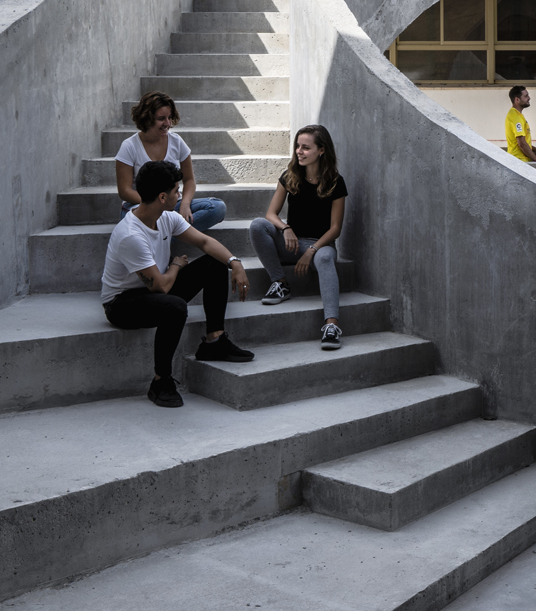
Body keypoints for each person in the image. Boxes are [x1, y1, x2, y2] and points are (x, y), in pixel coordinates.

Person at [100, 159, 252, 409]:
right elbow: (160, 287)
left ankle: (214, 341)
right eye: (176, 191)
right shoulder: (130, 235)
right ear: (162, 196)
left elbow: (204, 243)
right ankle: (161, 381)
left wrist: (235, 263)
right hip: (122, 303)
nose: (180, 195)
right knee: (175, 306)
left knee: (215, 263)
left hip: (156, 288)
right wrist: (176, 265)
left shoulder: (166, 217)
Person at [249, 124, 349, 348]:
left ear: (321, 150)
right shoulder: (290, 176)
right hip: (291, 243)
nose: (299, 151)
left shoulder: (335, 181)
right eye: (297, 146)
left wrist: (312, 250)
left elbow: (335, 229)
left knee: (324, 259)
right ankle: (280, 282)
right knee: (258, 225)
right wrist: (285, 229)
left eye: (305, 147)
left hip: (319, 247)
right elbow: (270, 214)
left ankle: (331, 325)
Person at [116, 91, 225, 233]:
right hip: (141, 206)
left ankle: (166, 235)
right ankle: (174, 233)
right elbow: (124, 191)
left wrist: (185, 204)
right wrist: (157, 204)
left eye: (169, 117)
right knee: (149, 221)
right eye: (161, 118)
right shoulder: (129, 146)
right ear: (147, 119)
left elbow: (189, 180)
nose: (167, 123)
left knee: (217, 207)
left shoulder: (177, 141)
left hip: (173, 203)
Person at [505, 85, 536, 162]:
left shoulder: (515, 114)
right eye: (526, 96)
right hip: (519, 161)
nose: (529, 98)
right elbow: (522, 144)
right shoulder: (516, 117)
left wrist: (534, 148)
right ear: (517, 100)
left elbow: (519, 142)